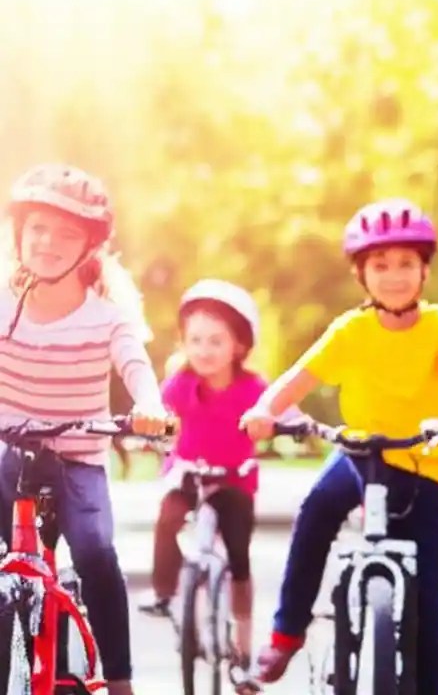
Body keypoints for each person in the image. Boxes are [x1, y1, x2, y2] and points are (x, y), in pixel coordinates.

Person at [241, 199, 438, 695]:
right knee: (316, 511)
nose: (394, 276)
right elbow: (295, 380)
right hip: (362, 456)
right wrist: (265, 409)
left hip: (429, 469)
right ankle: (287, 633)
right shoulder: (351, 330)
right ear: (361, 274)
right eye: (380, 265)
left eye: (406, 264)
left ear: (425, 270)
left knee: (426, 604)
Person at [0, 164, 169, 695]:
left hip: (77, 458)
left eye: (66, 233)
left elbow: (134, 366)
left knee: (95, 550)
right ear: (19, 232)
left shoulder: (106, 317)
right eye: (38, 229)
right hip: (9, 453)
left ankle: (118, 681)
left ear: (88, 250)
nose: (47, 243)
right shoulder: (5, 307)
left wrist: (150, 404)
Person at [136, 279, 267, 677]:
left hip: (233, 481)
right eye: (195, 341)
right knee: (168, 517)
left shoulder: (253, 389)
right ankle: (164, 591)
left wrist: (284, 424)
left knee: (240, 558)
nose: (204, 351)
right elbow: (156, 412)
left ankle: (244, 649)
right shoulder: (180, 383)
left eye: (215, 341)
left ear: (239, 346)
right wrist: (147, 430)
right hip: (188, 474)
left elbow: (278, 414)